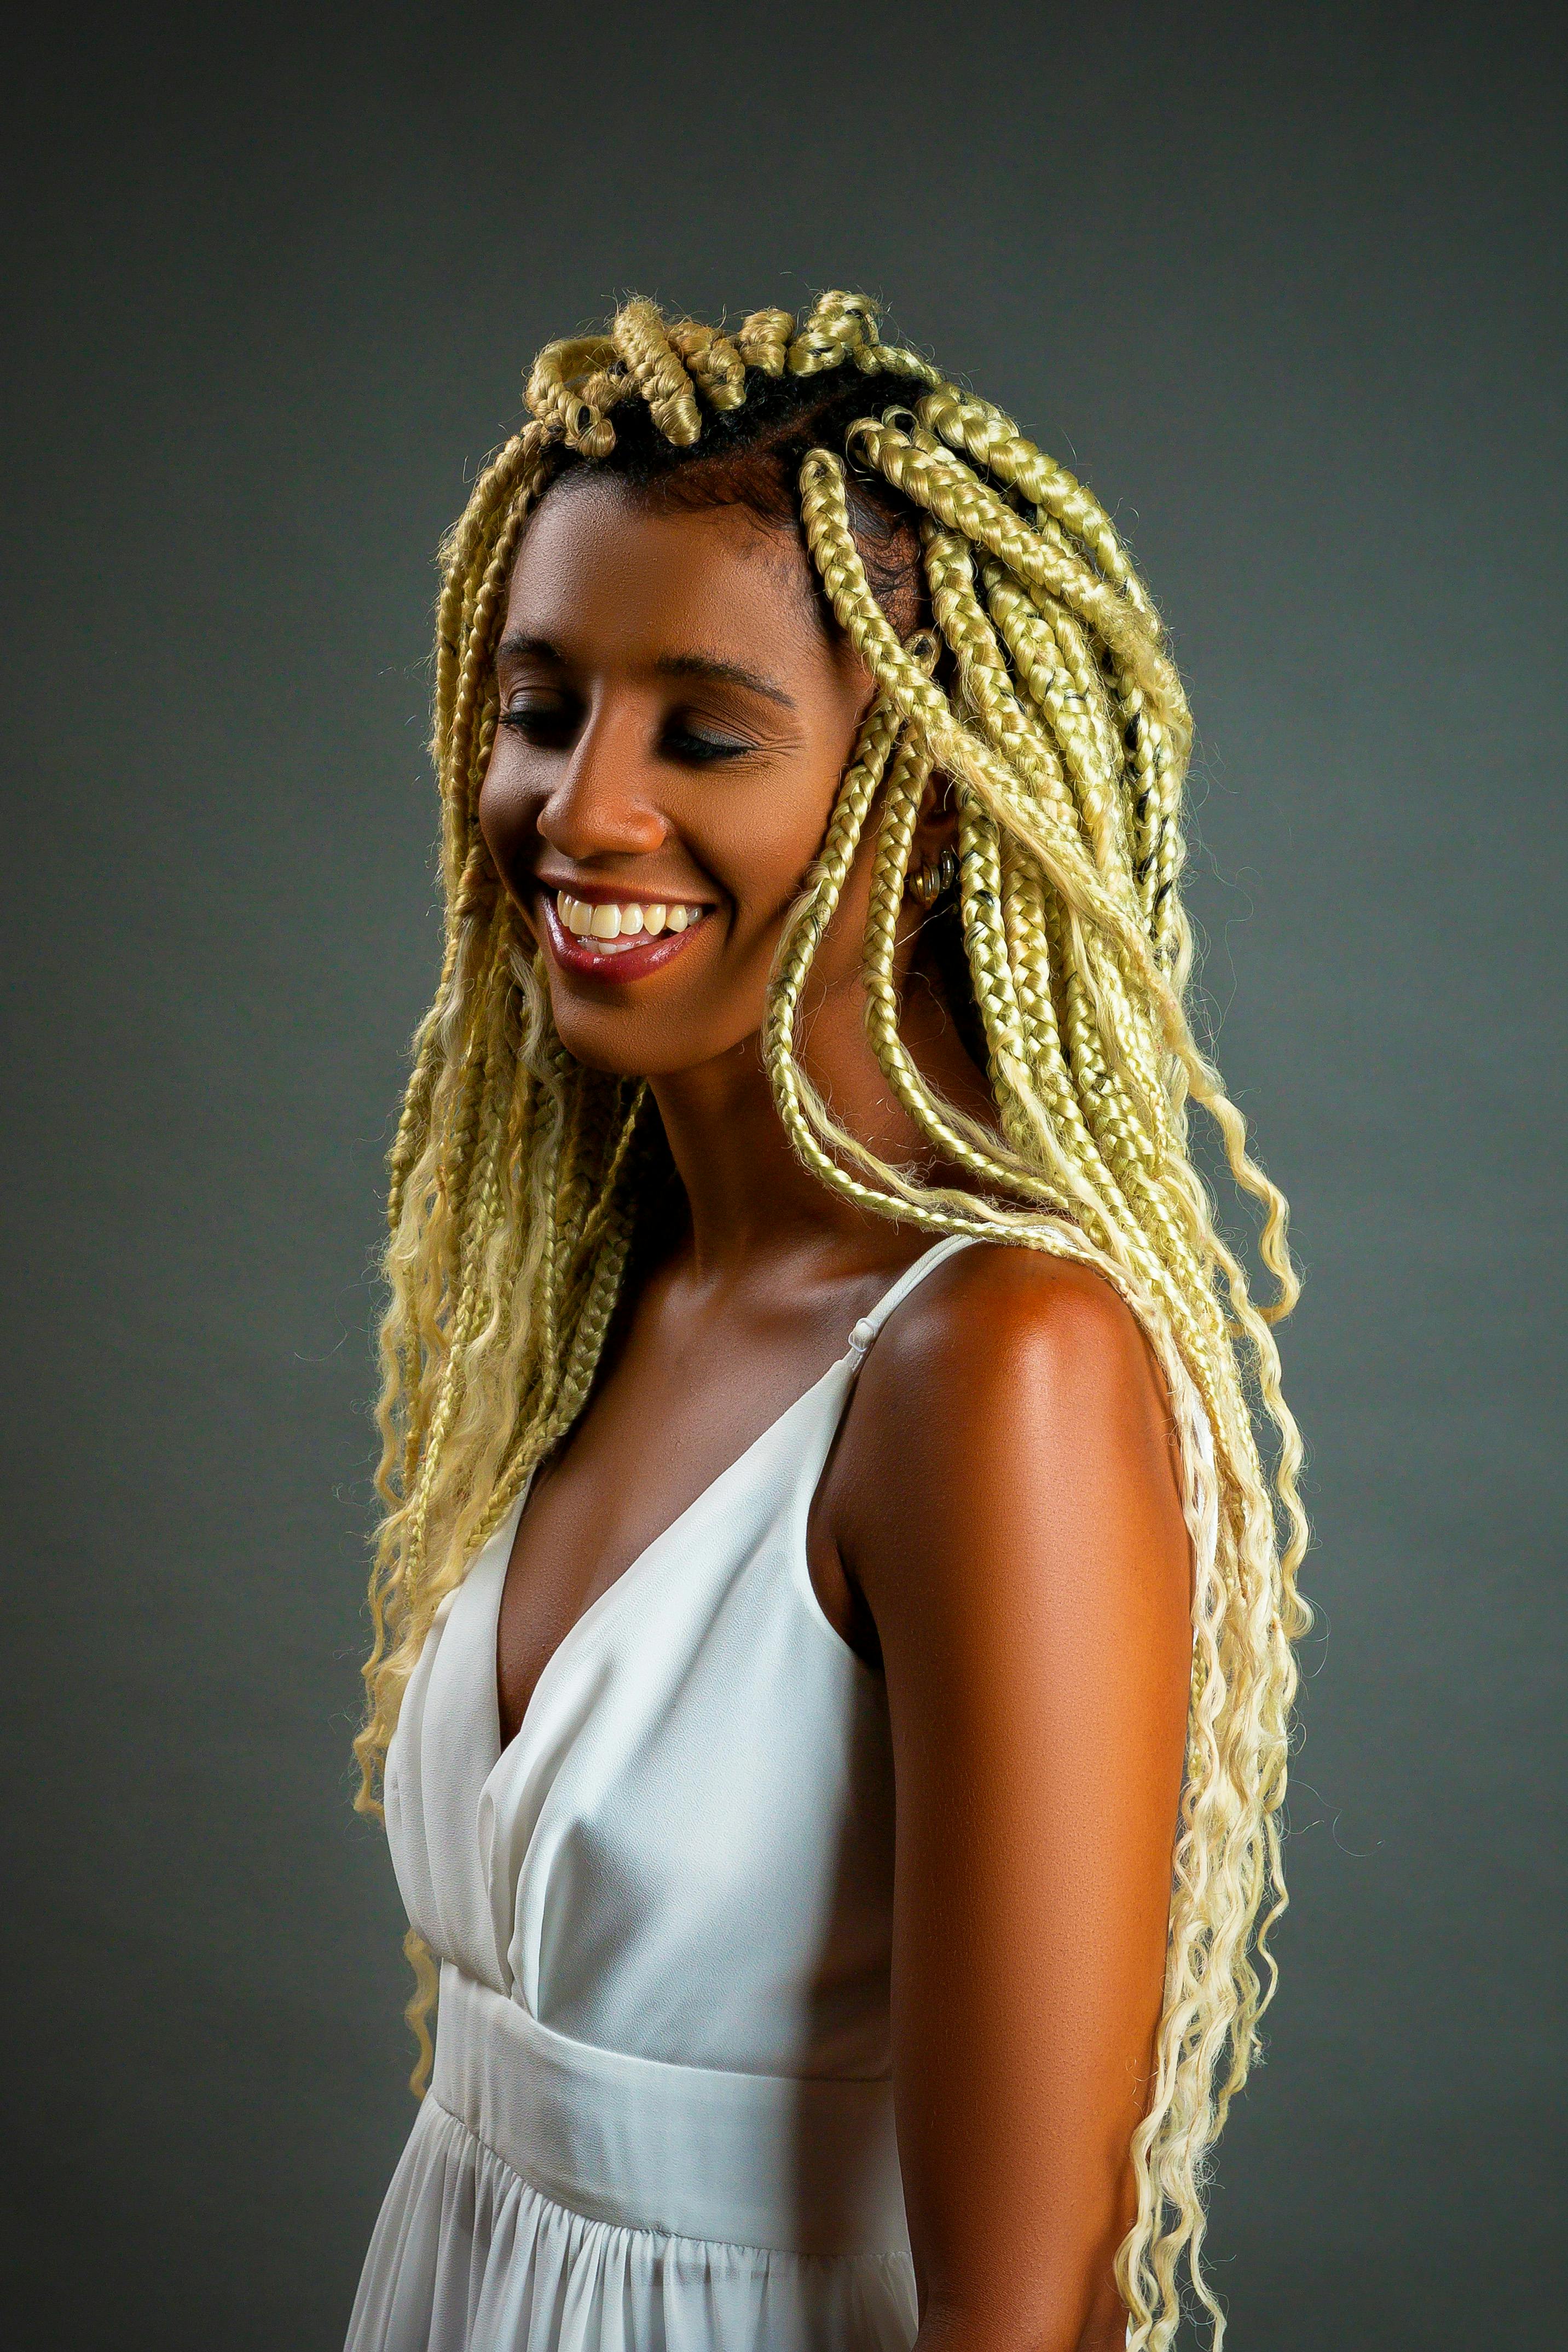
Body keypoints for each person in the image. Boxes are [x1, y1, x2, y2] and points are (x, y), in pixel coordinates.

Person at [344, 291, 1307, 2352]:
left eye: (703, 733)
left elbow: (1025, 2310)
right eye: (540, 707)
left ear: (932, 796)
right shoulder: (621, 1286)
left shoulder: (995, 1366)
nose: (579, 809)